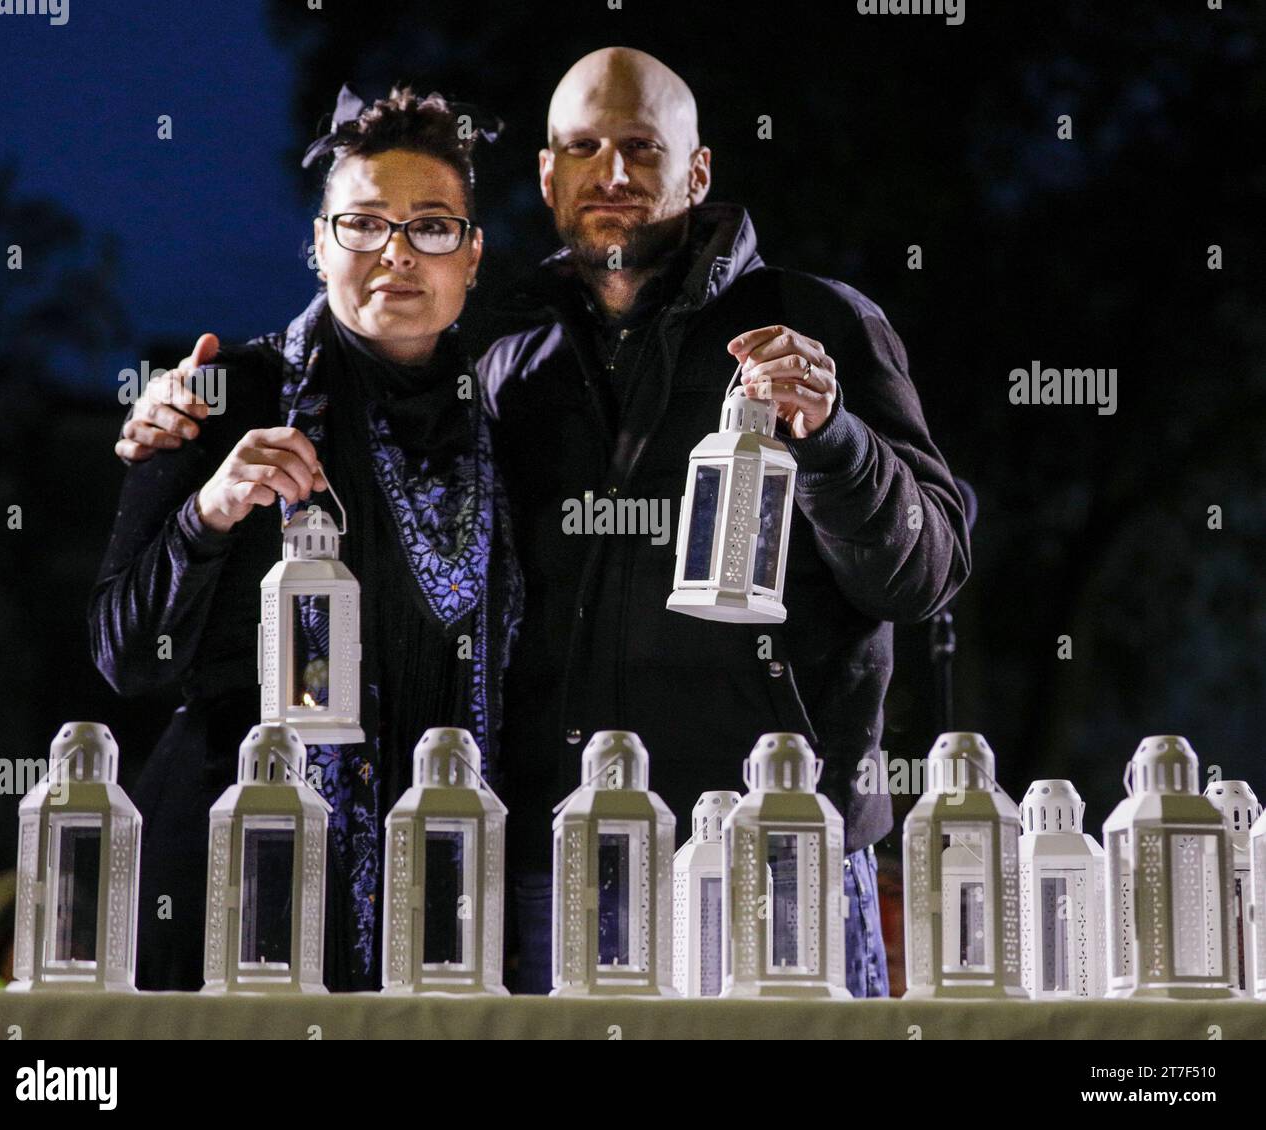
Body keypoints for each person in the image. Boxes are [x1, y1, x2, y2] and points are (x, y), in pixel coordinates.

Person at [118, 48, 971, 999]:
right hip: (554, 857)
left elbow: (925, 573)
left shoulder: (816, 326)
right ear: (546, 175)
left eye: (642, 147)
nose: (611, 173)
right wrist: (183, 426)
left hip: (772, 841)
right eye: (584, 146)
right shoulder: (505, 350)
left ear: (699, 169)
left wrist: (837, 438)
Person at [90, 84, 522, 991]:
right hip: (233, 879)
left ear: (472, 256)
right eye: (363, 224)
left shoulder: (508, 424)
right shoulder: (219, 395)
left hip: (439, 893)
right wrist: (207, 514)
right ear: (320, 246)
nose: (397, 253)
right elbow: (125, 656)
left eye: (432, 227)